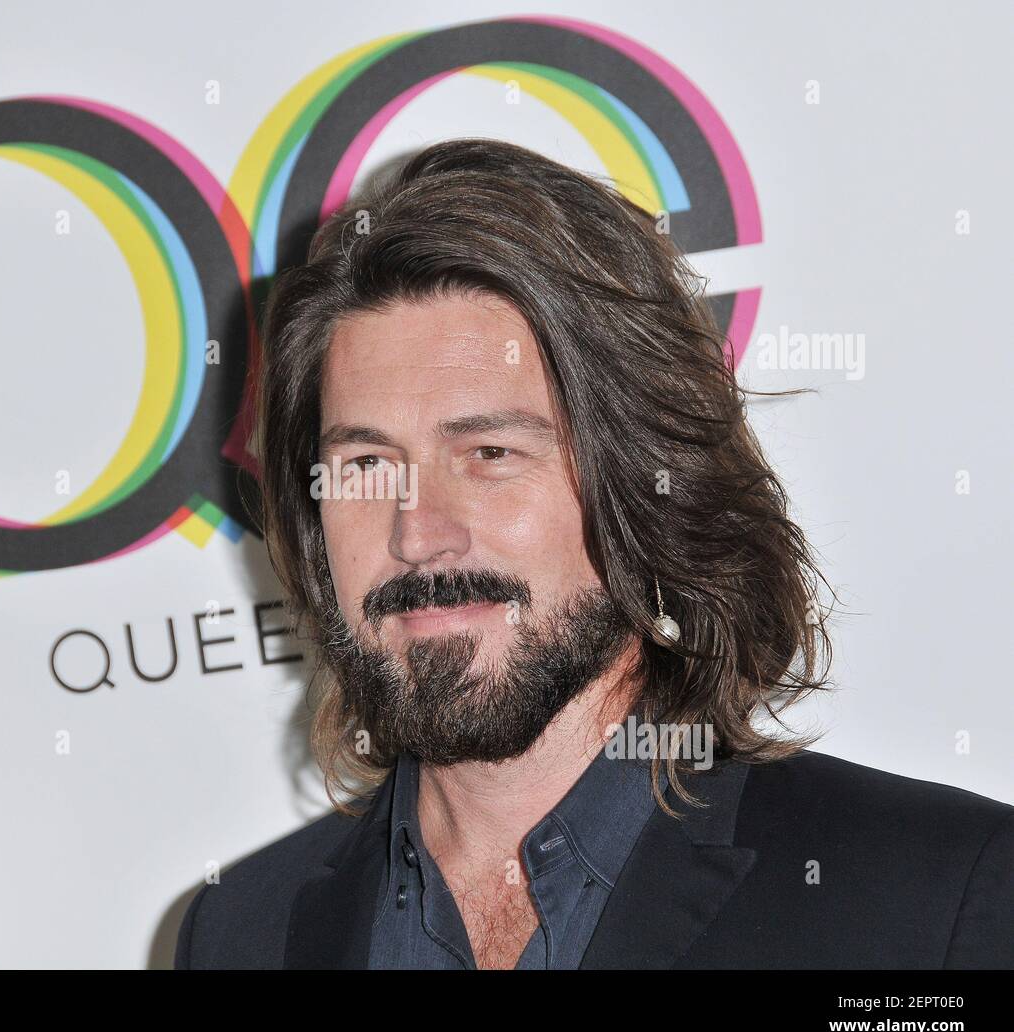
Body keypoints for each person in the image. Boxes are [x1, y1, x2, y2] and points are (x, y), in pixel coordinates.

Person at [174, 138, 1013, 969]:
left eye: (491, 454)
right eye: (366, 465)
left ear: (644, 484)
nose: (416, 532)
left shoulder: (932, 901)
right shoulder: (241, 933)